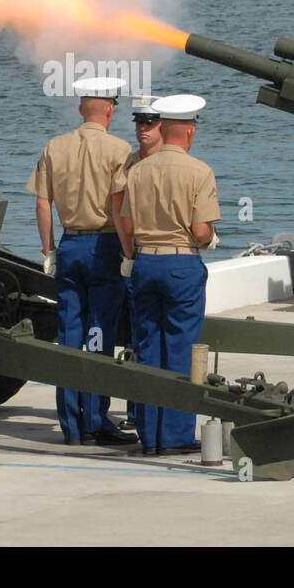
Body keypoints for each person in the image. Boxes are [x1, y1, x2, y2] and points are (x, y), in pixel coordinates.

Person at [26, 76, 137, 446]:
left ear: (80, 109)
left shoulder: (54, 147)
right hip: (105, 246)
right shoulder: (120, 150)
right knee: (99, 334)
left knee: (69, 336)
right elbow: (121, 209)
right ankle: (94, 421)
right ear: (109, 110)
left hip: (68, 245)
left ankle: (70, 426)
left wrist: (48, 251)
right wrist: (129, 253)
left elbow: (43, 203)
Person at [119, 94, 220, 455]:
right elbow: (202, 230)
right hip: (180, 263)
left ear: (164, 128)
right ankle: (175, 438)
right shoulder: (200, 171)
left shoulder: (138, 170)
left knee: (147, 348)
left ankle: (150, 437)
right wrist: (207, 240)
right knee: (179, 349)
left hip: (145, 262)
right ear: (190, 130)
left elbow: (126, 225)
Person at [111, 94, 161, 432]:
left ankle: (160, 409)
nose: (142, 129)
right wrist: (128, 254)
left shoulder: (171, 163)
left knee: (163, 337)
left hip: (163, 254)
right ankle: (136, 410)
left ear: (163, 126)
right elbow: (118, 212)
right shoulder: (128, 165)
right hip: (135, 254)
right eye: (139, 123)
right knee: (136, 337)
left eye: (149, 123)